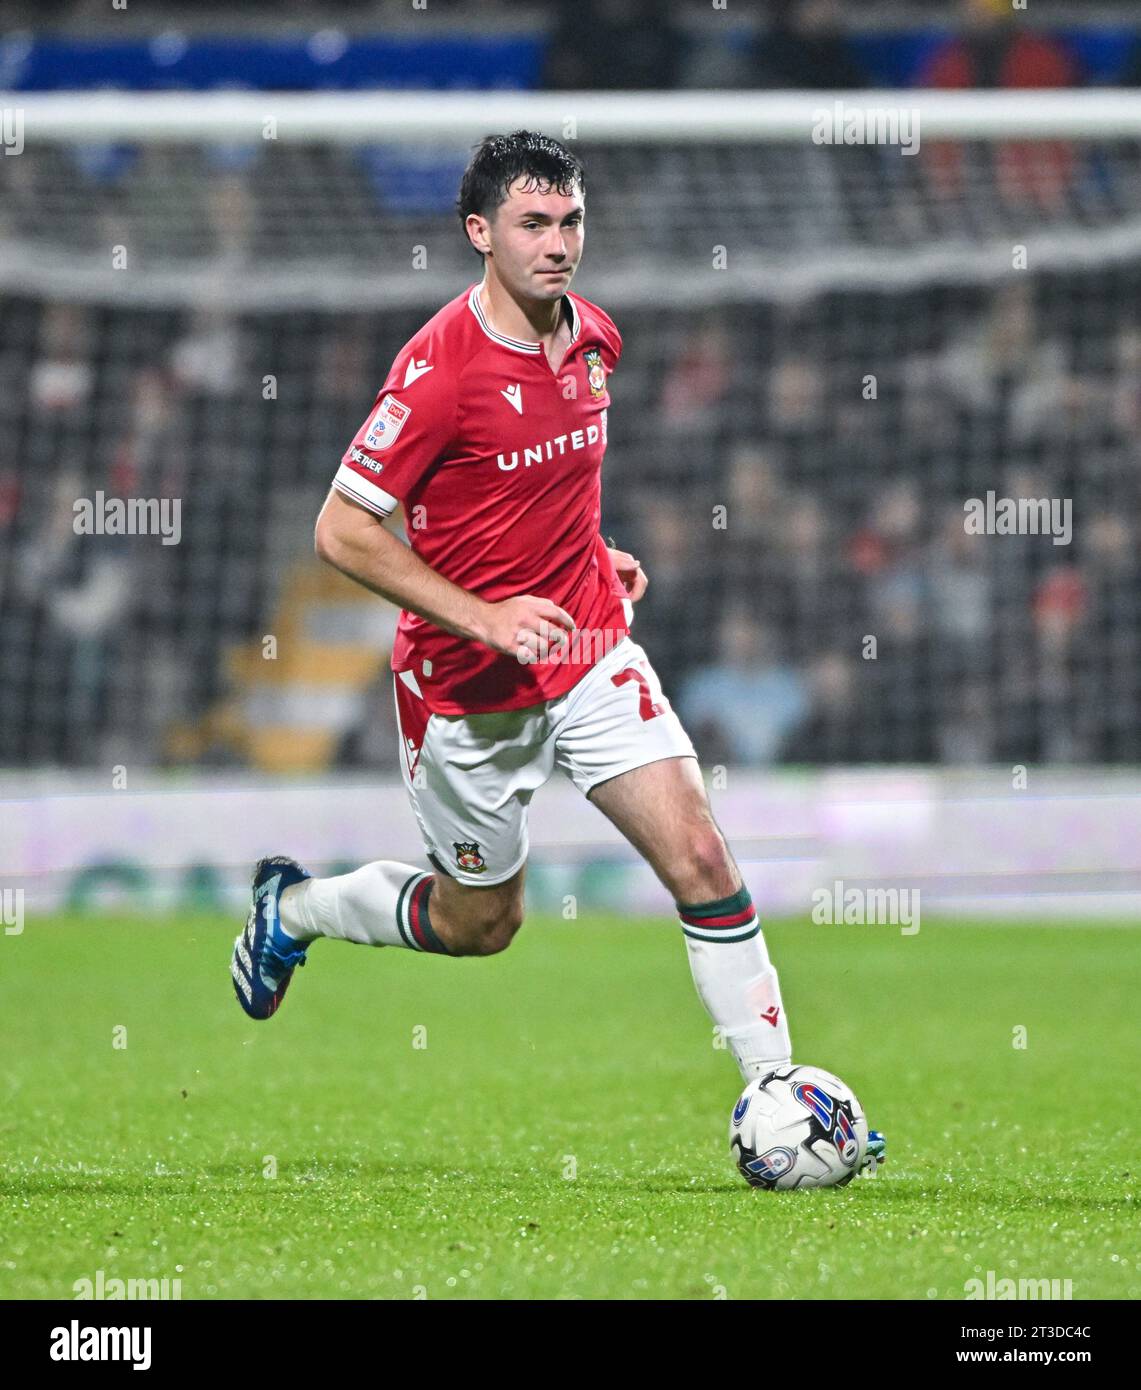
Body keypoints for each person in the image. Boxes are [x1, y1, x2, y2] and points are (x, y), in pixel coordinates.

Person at [228, 130, 884, 1166]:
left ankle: (776, 1092)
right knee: (480, 923)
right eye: (533, 224)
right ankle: (296, 908)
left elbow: (541, 488)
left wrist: (594, 552)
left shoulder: (594, 339)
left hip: (584, 646)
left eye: (571, 219)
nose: (558, 242)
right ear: (479, 233)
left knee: (701, 855)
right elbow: (341, 531)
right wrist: (484, 615)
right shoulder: (437, 372)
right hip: (464, 693)